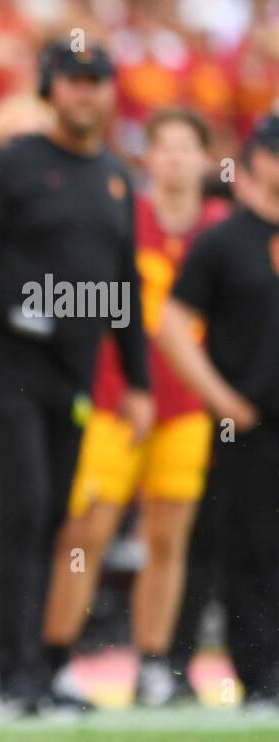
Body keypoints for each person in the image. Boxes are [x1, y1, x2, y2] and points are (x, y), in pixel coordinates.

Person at [0, 39, 153, 712]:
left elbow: (124, 288)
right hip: (11, 360)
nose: (86, 93)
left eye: (97, 81)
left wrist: (139, 381)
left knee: (55, 519)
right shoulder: (12, 166)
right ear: (49, 89)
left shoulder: (115, 178)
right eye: (73, 81)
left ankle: (37, 667)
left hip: (74, 372)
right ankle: (10, 670)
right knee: (23, 510)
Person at [40, 108, 230, 706]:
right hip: (115, 397)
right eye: (163, 147)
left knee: (168, 537)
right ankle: (57, 654)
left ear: (205, 158)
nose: (174, 158)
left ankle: (153, 660)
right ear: (146, 157)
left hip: (187, 402)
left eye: (185, 147)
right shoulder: (125, 214)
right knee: (87, 529)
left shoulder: (220, 228)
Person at [156, 113, 279, 707]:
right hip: (247, 422)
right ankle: (258, 676)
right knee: (248, 546)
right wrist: (220, 397)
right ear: (255, 161)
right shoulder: (224, 240)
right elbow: (172, 325)